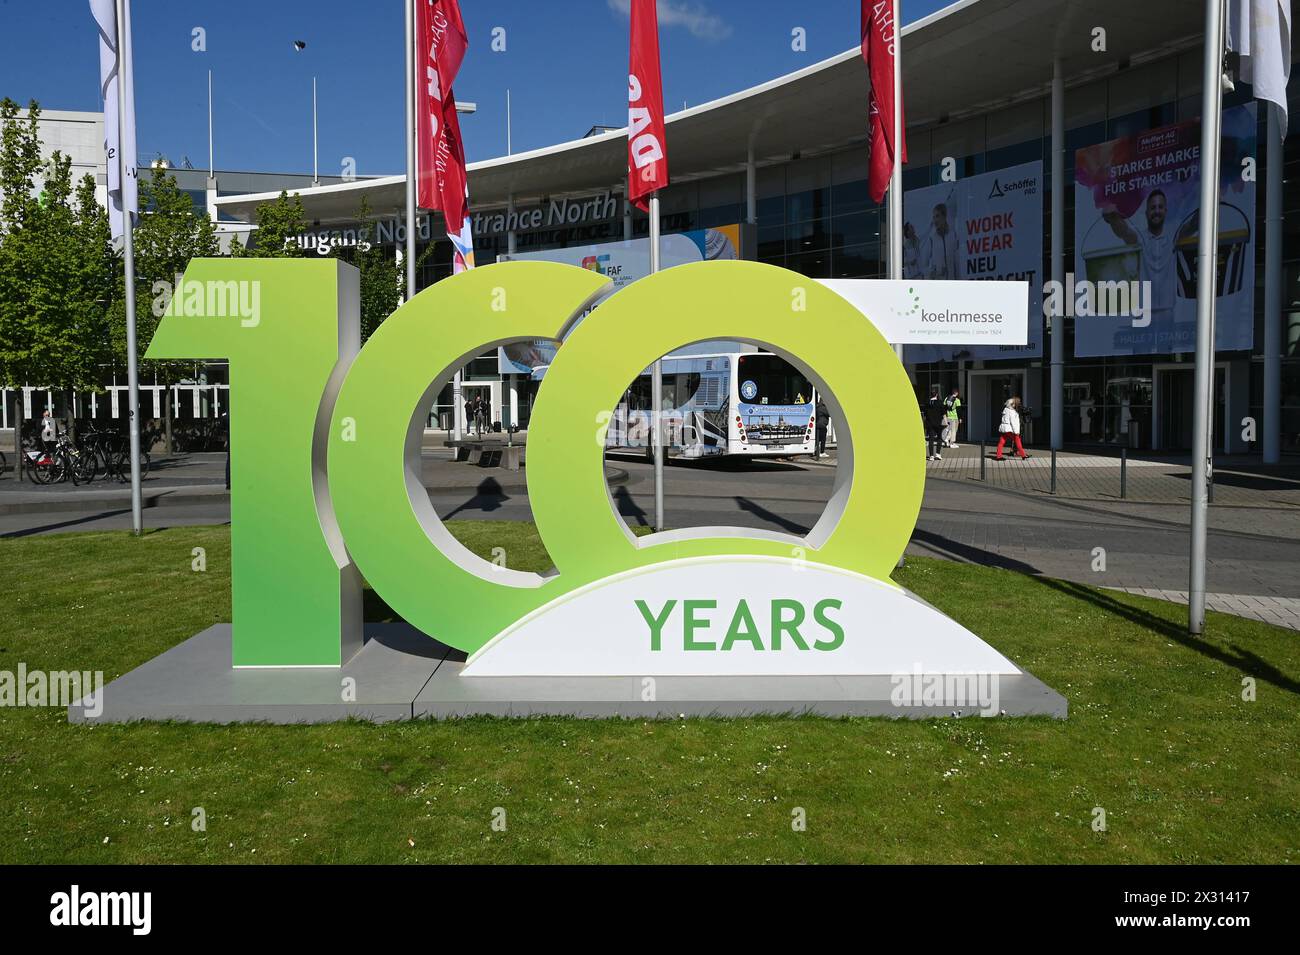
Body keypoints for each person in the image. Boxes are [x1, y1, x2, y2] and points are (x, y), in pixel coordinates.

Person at [1102, 189, 1174, 328]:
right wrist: (1113, 218)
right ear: (1146, 212)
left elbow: (1191, 226)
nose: (1156, 211)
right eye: (1153, 208)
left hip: (1167, 312)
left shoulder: (1172, 236)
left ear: (1166, 211)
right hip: (1142, 313)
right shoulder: (1140, 238)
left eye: (1160, 207)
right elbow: (1124, 232)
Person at [922, 202, 959, 280]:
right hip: (938, 285)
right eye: (934, 217)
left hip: (952, 284)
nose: (935, 220)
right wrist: (933, 272)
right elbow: (923, 265)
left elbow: (957, 263)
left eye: (937, 216)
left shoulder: (953, 235)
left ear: (944, 217)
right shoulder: (931, 239)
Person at [923, 390, 946, 461]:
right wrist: (946, 422)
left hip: (930, 423)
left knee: (931, 439)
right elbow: (943, 413)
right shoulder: (940, 402)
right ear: (937, 395)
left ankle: (931, 456)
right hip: (938, 423)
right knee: (939, 438)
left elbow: (925, 414)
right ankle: (938, 454)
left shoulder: (927, 403)